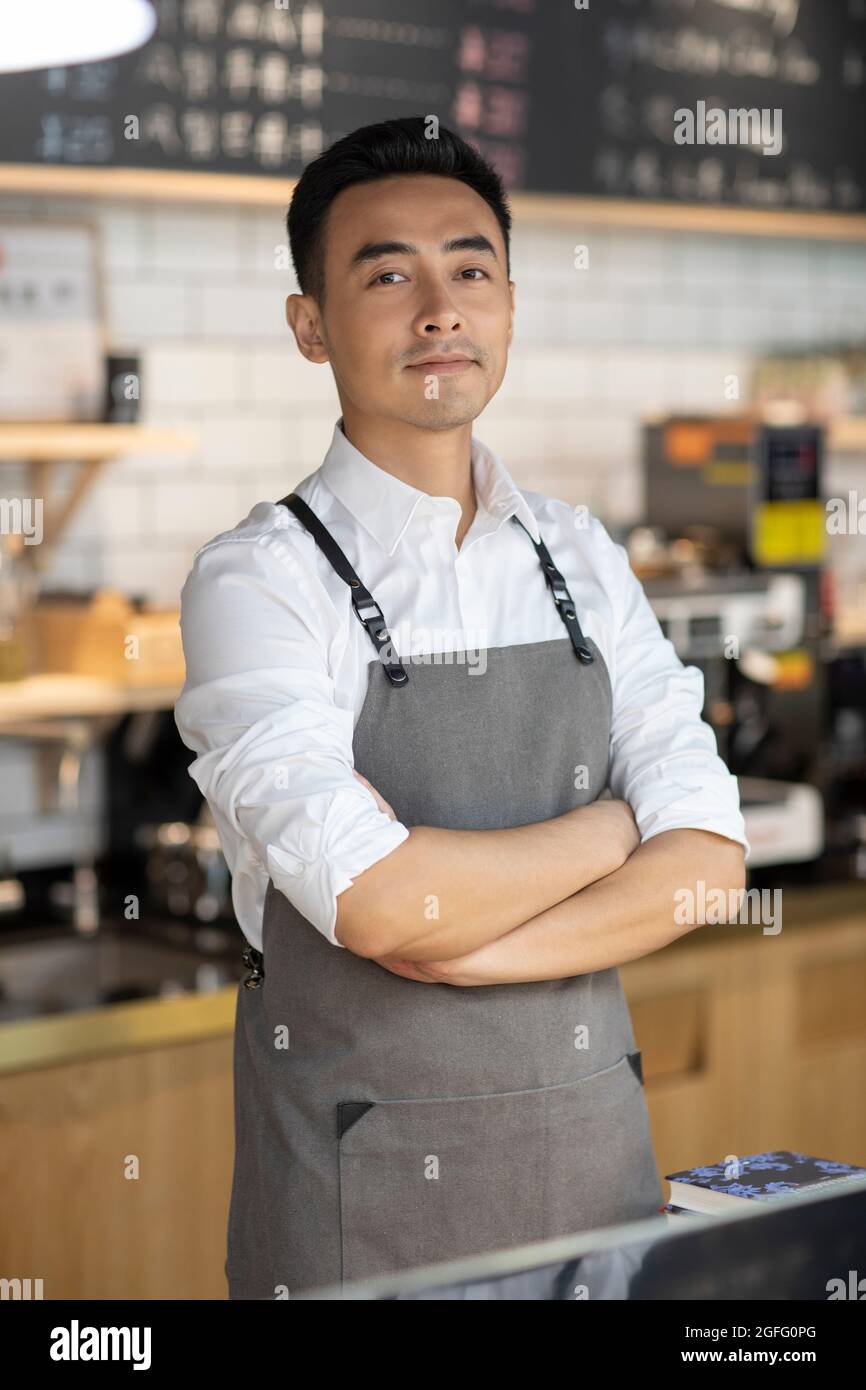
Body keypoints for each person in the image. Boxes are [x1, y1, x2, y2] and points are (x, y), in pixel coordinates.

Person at [174, 115, 749, 1299]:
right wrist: (606, 830)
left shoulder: (581, 555)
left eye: (469, 268)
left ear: (507, 304)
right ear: (310, 325)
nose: (439, 308)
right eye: (387, 273)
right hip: (363, 1228)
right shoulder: (257, 581)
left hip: (598, 1201)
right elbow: (377, 901)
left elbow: (709, 865)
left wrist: (473, 950)